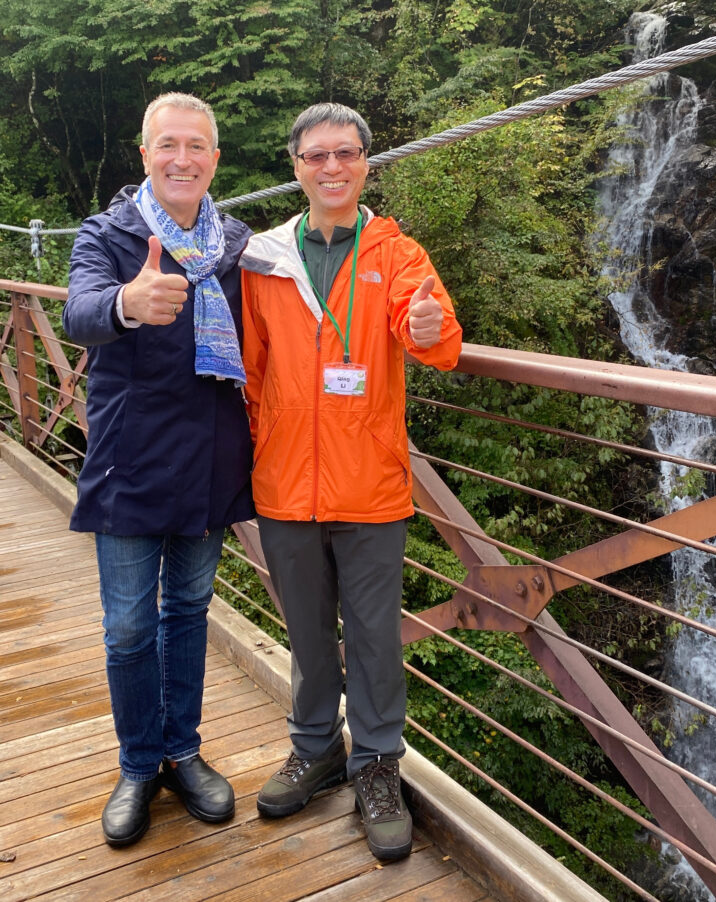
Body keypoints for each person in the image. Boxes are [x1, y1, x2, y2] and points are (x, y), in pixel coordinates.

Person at [240, 102, 462, 861]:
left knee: (372, 637)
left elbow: (431, 332)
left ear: (367, 162)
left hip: (368, 486)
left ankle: (376, 766)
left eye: (346, 153)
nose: (331, 168)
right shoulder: (264, 260)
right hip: (285, 487)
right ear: (296, 166)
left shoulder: (396, 254)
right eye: (316, 156)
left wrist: (430, 330)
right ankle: (315, 748)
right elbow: (251, 370)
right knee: (306, 634)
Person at [63, 93, 254, 847]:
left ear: (214, 159)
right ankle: (139, 763)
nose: (183, 158)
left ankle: (183, 751)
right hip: (129, 460)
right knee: (128, 626)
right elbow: (79, 313)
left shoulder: (239, 244)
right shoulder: (108, 234)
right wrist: (127, 302)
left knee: (190, 611)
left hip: (211, 458)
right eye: (168, 144)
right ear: (144, 154)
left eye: (197, 146)